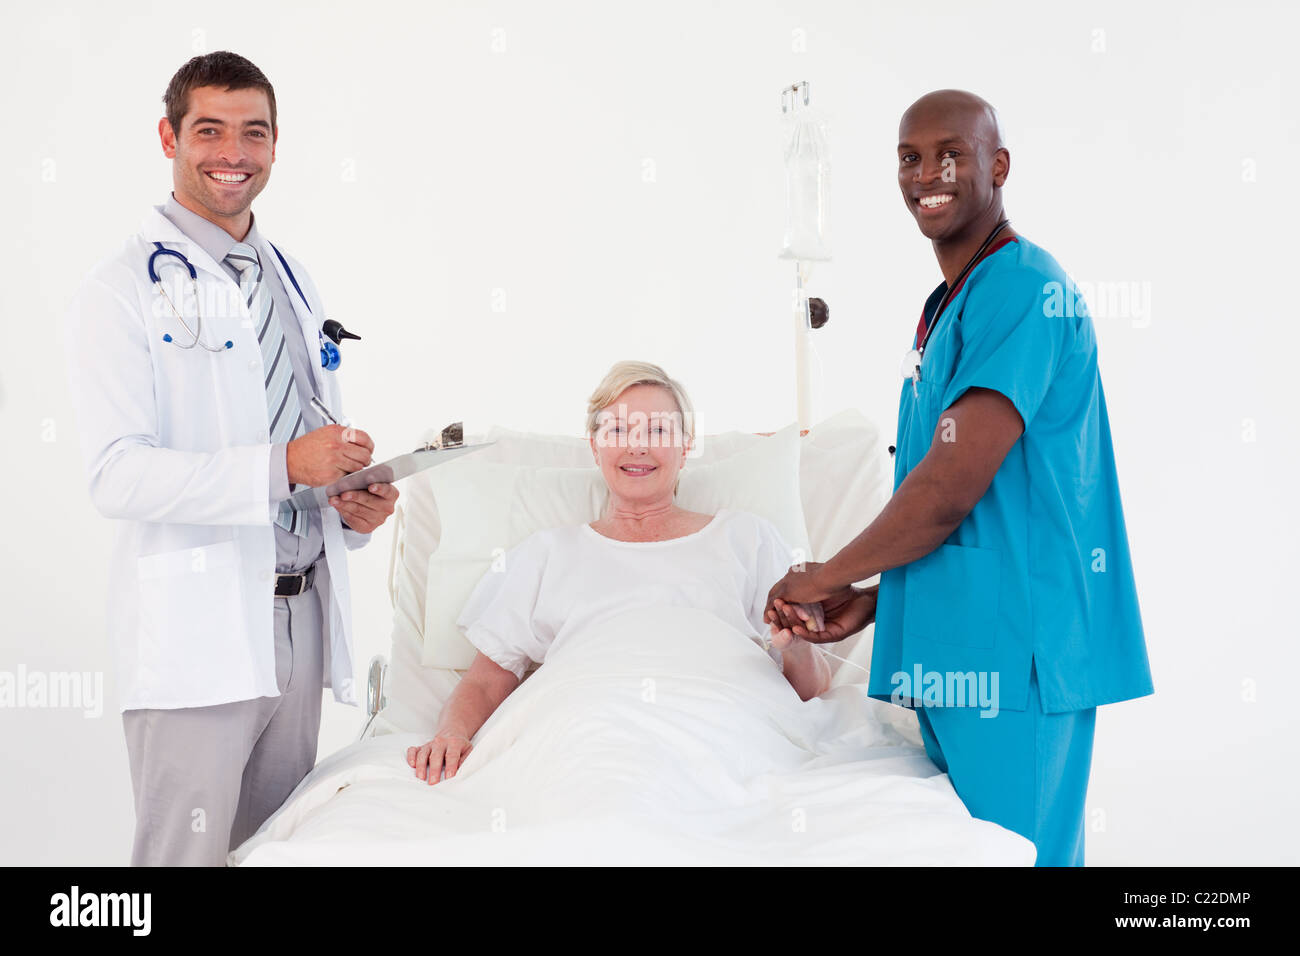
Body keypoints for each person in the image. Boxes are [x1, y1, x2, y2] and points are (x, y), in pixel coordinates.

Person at [764, 89, 1153, 866]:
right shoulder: (951, 301)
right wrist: (875, 600)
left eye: (952, 153)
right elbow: (966, 510)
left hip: (1017, 655)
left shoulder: (1020, 288)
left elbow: (946, 492)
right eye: (909, 157)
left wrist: (823, 574)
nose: (927, 173)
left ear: (999, 165)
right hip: (962, 652)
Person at [64, 51, 398, 865]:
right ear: (168, 136)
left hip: (301, 617)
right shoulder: (120, 289)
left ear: (277, 145)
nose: (232, 152)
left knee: (278, 853)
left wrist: (348, 498)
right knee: (181, 859)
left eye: (253, 132)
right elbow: (116, 473)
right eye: (208, 129)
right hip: (198, 631)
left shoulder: (291, 277)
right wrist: (283, 464)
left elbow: (305, 428)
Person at [406, 361, 830, 784]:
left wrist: (796, 647)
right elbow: (484, 681)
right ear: (595, 447)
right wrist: (452, 732)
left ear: (686, 446)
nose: (637, 446)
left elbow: (811, 691)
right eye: (619, 431)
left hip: (725, 727)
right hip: (585, 732)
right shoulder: (546, 554)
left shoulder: (748, 539)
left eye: (658, 431)